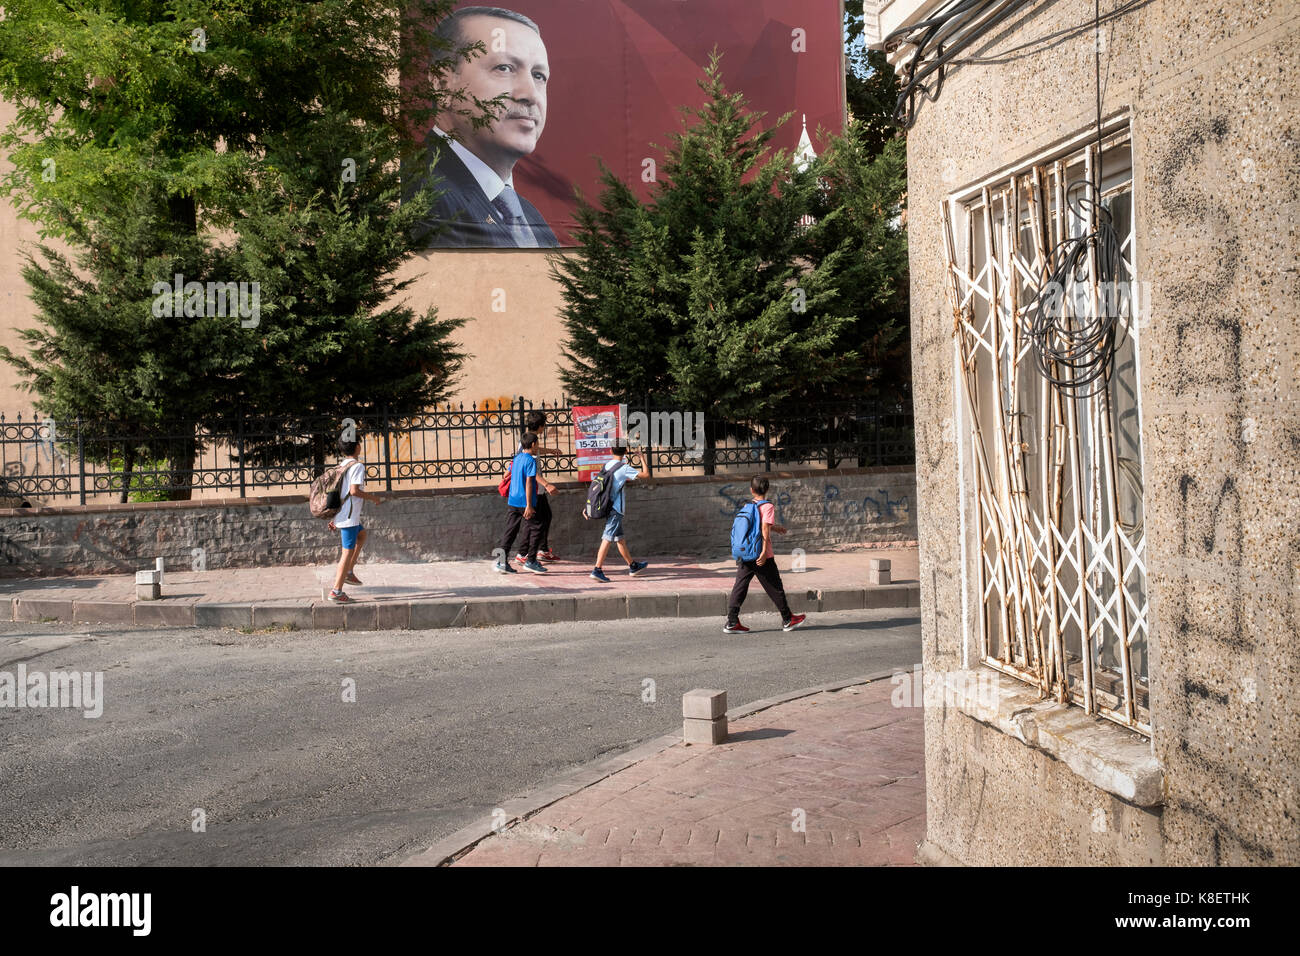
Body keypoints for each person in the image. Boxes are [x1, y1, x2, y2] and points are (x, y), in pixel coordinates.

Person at [413, 6, 558, 248]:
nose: (530, 94)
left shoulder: (531, 218)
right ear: (442, 83)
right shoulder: (417, 194)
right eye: (504, 68)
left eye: (539, 76)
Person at [723, 475, 806, 633]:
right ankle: (788, 619)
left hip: (746, 553)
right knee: (775, 586)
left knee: (740, 586)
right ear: (767, 489)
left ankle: (732, 621)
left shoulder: (748, 506)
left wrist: (776, 527)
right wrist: (762, 552)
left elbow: (760, 525)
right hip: (762, 555)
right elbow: (764, 530)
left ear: (751, 490)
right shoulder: (767, 506)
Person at [327, 438, 385, 603]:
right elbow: (354, 491)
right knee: (346, 552)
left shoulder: (342, 466)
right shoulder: (357, 466)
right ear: (357, 447)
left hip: (344, 514)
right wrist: (374, 498)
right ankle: (336, 591)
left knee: (362, 535)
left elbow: (338, 493)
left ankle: (349, 572)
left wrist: (335, 516)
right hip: (349, 517)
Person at [589, 446, 647, 582]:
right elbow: (646, 475)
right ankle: (597, 569)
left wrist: (588, 507)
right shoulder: (624, 468)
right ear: (626, 452)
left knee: (619, 539)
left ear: (611, 451)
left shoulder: (607, 465)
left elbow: (597, 488)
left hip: (607, 506)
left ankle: (633, 566)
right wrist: (642, 458)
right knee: (607, 538)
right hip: (616, 509)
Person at [496, 431, 546, 574]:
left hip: (513, 499)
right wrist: (529, 505)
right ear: (533, 444)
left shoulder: (516, 458)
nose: (538, 446)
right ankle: (531, 560)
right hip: (525, 501)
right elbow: (530, 482)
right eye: (537, 443)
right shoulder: (531, 460)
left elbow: (507, 473)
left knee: (510, 531)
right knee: (537, 527)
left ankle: (501, 561)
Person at [515, 410, 560, 565]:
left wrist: (551, 451)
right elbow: (530, 472)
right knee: (533, 522)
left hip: (537, 489)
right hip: (533, 489)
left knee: (545, 517)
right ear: (540, 426)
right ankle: (523, 553)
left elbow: (537, 450)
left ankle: (543, 550)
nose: (544, 428)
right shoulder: (526, 443)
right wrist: (546, 485)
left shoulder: (529, 440)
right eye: (544, 425)